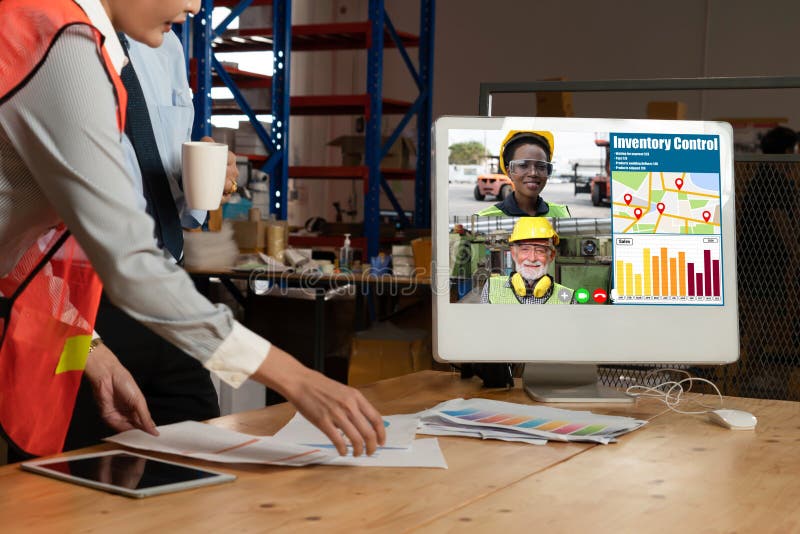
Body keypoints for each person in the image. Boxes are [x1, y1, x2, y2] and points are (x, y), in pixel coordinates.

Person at [0, 0, 385, 460]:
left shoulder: (76, 37)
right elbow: (126, 260)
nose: (195, 5)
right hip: (104, 294)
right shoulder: (61, 43)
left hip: (90, 299)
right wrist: (297, 379)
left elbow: (21, 243)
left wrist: (81, 340)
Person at [64, 22, 239, 449]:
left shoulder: (168, 47)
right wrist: (80, 343)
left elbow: (173, 200)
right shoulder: (58, 44)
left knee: (203, 459)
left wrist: (211, 181)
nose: (196, 8)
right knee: (78, 479)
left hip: (163, 289)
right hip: (77, 307)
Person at [735, 126, 800, 398]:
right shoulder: (775, 180)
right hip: (766, 261)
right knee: (762, 320)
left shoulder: (758, 176)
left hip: (751, 258)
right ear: (787, 151)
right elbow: (779, 219)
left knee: (753, 319)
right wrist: (795, 251)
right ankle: (749, 376)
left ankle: (747, 374)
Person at [476, 130, 570, 217]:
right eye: (523, 165)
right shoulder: (484, 217)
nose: (533, 173)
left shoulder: (561, 213)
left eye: (541, 166)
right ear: (509, 172)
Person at [480, 217, 574, 304]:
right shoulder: (491, 288)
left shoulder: (569, 299)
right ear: (513, 253)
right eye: (525, 249)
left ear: (551, 256)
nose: (532, 258)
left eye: (540, 250)